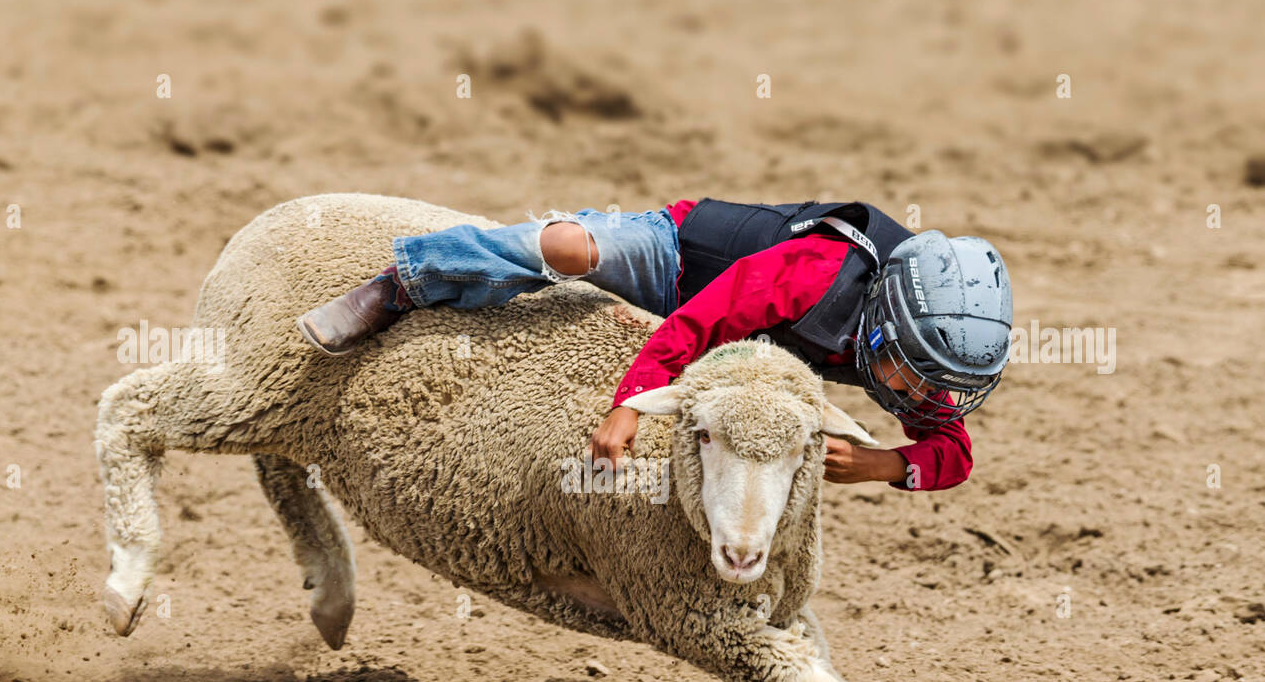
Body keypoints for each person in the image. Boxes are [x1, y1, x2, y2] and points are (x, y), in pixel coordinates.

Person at [296, 198, 1013, 491]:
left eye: (932, 380)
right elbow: (696, 326)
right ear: (887, 315)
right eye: (917, 374)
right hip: (680, 263)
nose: (922, 393)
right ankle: (406, 281)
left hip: (747, 338)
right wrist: (628, 408)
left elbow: (954, 452)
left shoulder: (915, 353)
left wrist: (888, 463)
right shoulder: (810, 275)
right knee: (571, 248)